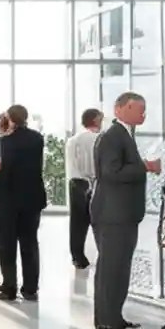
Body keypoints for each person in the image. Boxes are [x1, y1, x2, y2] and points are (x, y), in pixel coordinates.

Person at [91, 91, 159, 329]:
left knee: (119, 268)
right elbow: (111, 172)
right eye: (138, 108)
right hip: (113, 213)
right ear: (120, 108)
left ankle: (113, 316)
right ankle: (108, 322)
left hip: (122, 213)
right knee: (112, 269)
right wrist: (145, 166)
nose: (143, 113)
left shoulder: (124, 134)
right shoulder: (112, 136)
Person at [0, 105, 47, 302]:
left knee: (7, 244)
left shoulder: (4, 142)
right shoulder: (37, 138)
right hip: (33, 198)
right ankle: (30, 289)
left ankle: (9, 287)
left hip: (9, 200)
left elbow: (1, 171)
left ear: (9, 118)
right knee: (30, 243)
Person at [65, 108, 101, 269]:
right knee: (98, 220)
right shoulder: (98, 139)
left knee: (77, 223)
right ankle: (104, 253)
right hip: (92, 182)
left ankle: (77, 256)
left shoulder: (73, 140)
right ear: (95, 120)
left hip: (75, 182)